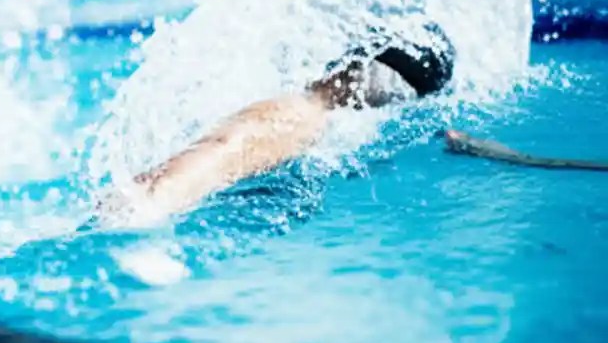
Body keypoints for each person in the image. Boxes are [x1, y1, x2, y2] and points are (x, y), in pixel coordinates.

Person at [103, 23, 456, 225]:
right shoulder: (303, 114)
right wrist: (153, 202)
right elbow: (224, 148)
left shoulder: (307, 110)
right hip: (148, 211)